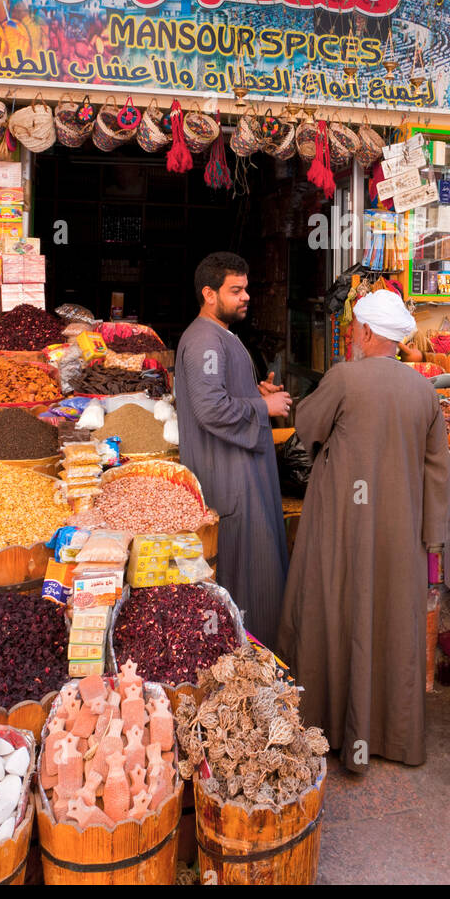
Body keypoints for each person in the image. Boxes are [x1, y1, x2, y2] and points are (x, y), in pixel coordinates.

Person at [277, 289, 450, 773]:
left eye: (355, 329)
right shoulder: (423, 390)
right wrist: (432, 538)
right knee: (391, 623)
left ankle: (329, 730)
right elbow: (437, 469)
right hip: (399, 532)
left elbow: (306, 427)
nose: (351, 336)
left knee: (332, 612)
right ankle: (394, 737)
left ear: (370, 333)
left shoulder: (345, 378)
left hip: (342, 522)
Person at [174, 252, 291, 647]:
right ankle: (249, 660)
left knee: (254, 566)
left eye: (246, 289)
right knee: (247, 573)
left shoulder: (217, 334)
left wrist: (255, 393)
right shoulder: (207, 339)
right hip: (229, 480)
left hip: (239, 473)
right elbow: (210, 408)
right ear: (209, 293)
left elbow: (219, 394)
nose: (246, 297)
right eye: (235, 290)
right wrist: (262, 407)